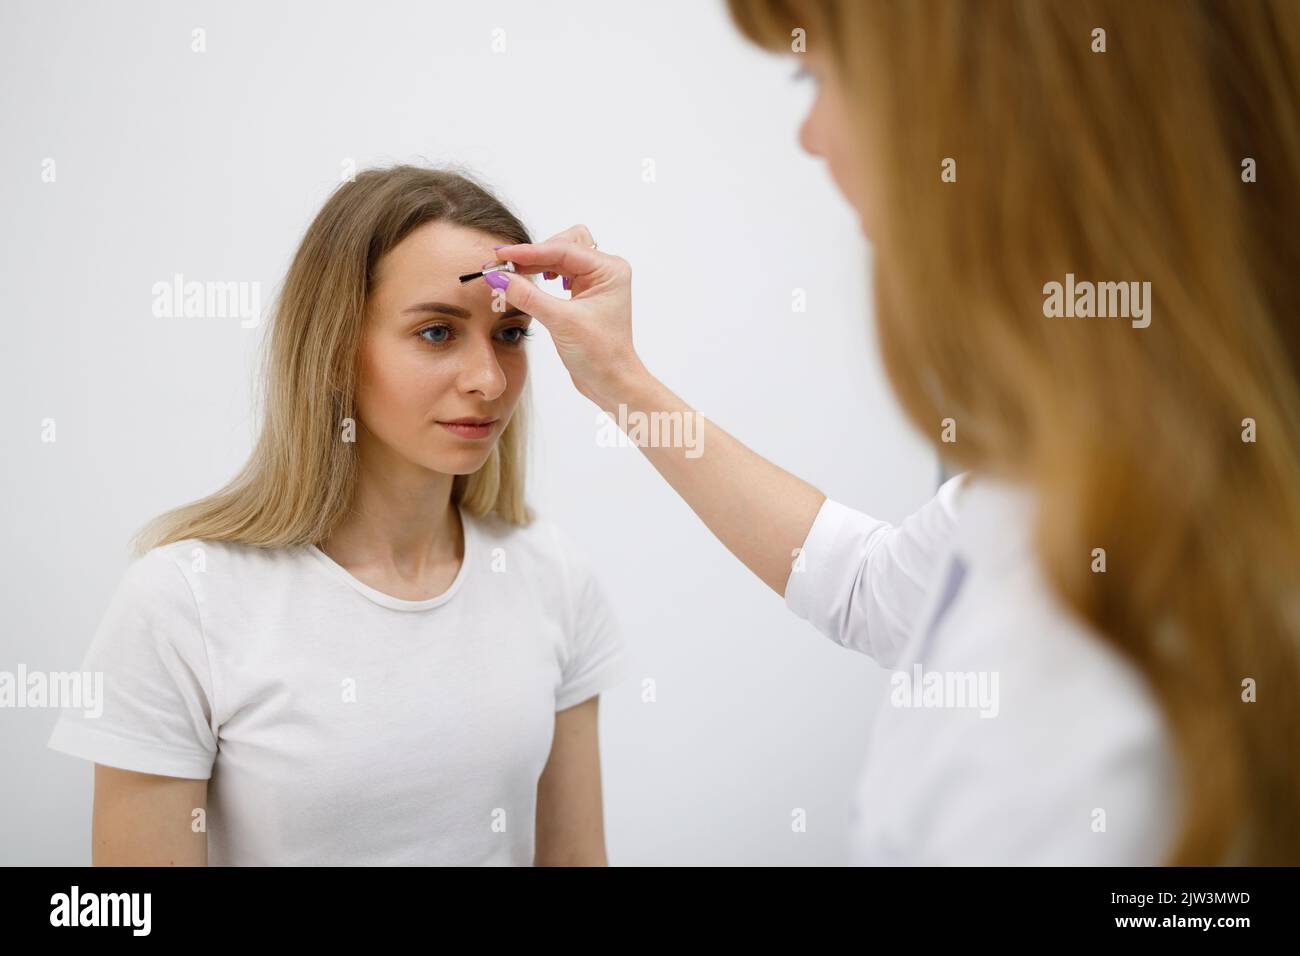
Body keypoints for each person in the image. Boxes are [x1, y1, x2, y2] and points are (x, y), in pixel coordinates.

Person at [479, 0, 1300, 864]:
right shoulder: (1046, 497)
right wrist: (620, 380)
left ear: (990, 115)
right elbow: (868, 584)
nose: (809, 137)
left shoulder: (1101, 680)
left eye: (816, 76)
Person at [47, 166, 629, 866]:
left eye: (511, 334)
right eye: (439, 332)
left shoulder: (549, 574)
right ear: (333, 350)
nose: (489, 379)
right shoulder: (184, 602)